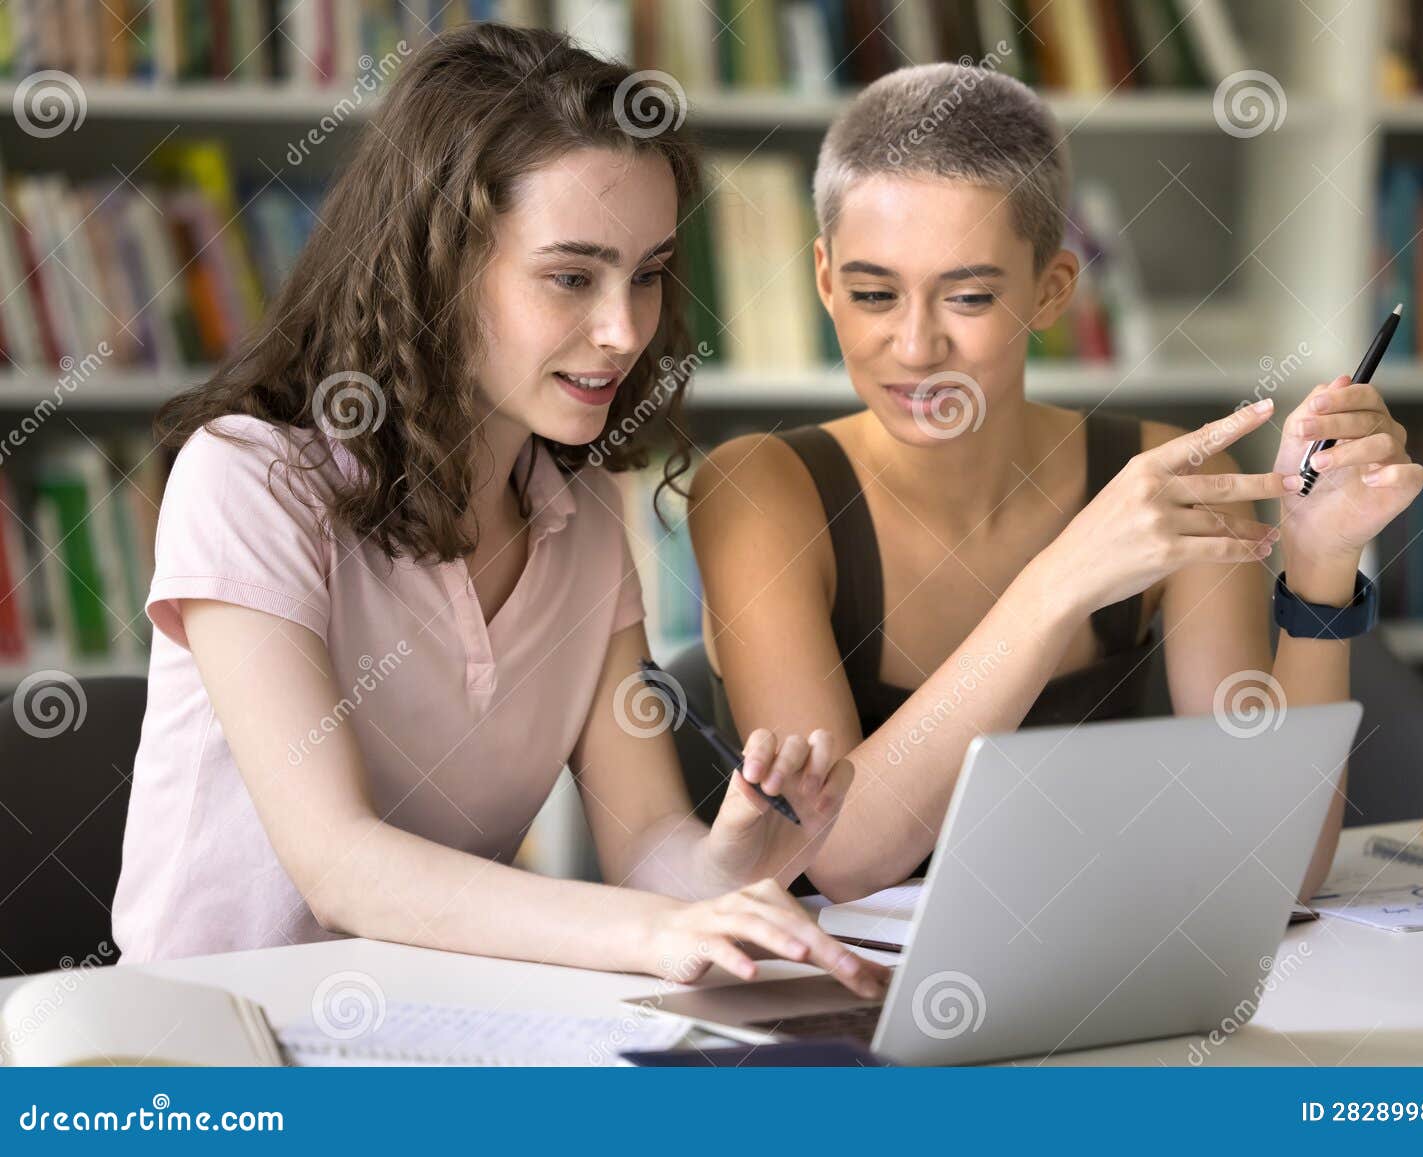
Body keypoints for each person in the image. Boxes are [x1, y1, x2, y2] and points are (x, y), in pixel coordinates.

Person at [111, 24, 886, 1001]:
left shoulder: (585, 515)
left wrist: (736, 863)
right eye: (571, 276)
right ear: (435, 265)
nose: (622, 331)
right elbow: (339, 862)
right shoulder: (249, 480)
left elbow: (644, 834)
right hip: (209, 1043)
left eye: (645, 274)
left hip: (432, 1025)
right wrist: (651, 928)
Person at [690, 63, 1423, 903]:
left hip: (1076, 989)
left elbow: (1277, 865)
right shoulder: (757, 490)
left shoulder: (1164, 486)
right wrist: (1062, 580)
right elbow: (840, 854)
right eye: (872, 293)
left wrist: (1322, 562)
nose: (916, 344)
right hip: (822, 1004)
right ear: (825, 280)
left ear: (1051, 290)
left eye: (966, 296)